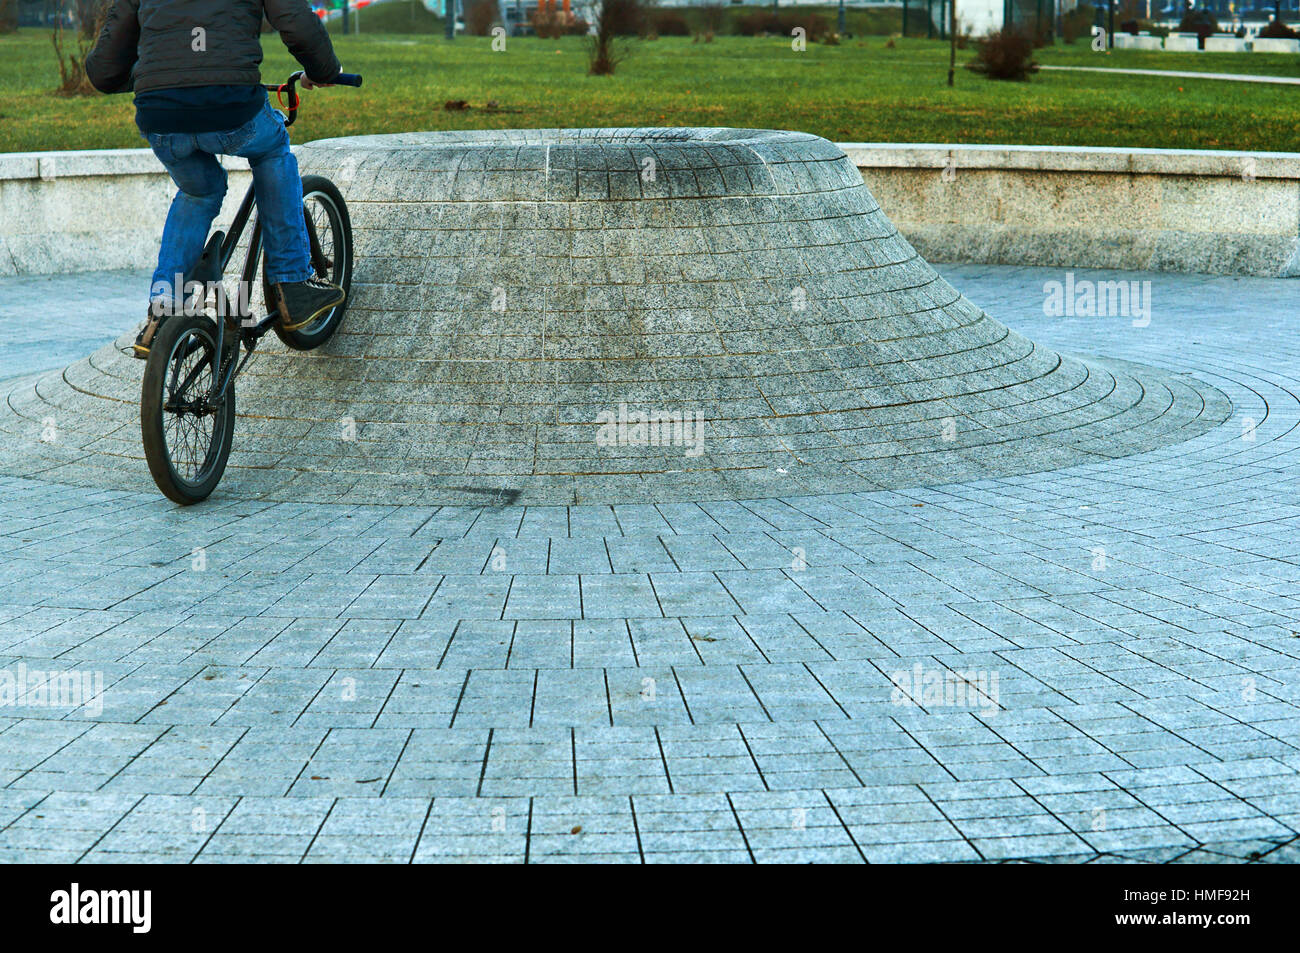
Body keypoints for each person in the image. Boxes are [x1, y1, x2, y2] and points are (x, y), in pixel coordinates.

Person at [85, 0, 347, 359]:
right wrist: (324, 70)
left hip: (160, 115)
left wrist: (157, 74)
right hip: (230, 106)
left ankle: (163, 308)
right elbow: (296, 22)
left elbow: (104, 70)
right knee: (272, 150)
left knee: (198, 190)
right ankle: (291, 283)